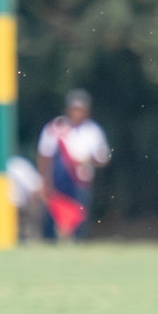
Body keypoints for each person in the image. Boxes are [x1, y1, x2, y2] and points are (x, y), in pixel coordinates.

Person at [37, 88, 110, 239]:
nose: (77, 113)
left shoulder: (93, 131)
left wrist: (86, 160)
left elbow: (103, 159)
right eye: (74, 109)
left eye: (80, 110)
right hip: (57, 183)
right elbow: (45, 156)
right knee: (52, 219)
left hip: (80, 183)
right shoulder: (56, 127)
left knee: (79, 219)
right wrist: (45, 182)